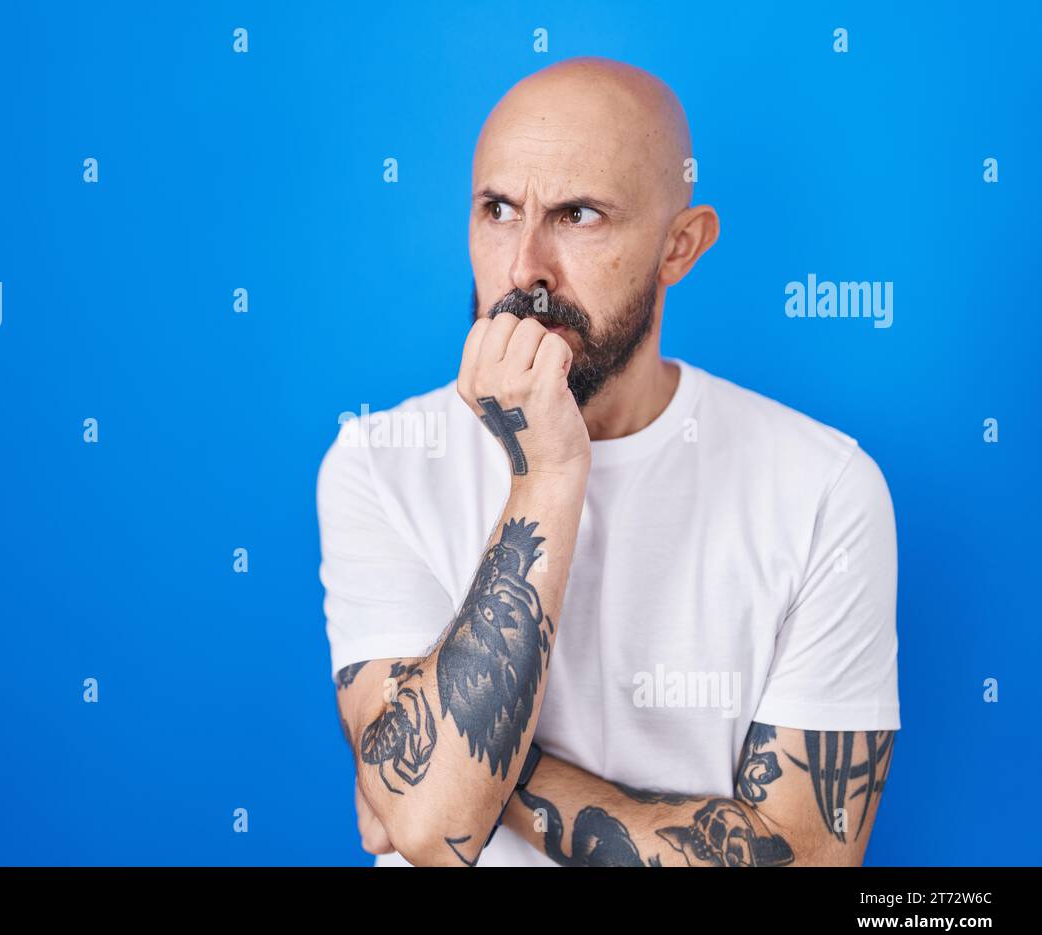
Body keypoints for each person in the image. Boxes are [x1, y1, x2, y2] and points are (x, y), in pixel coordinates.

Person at [317, 56, 898, 866]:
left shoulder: (825, 490)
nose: (525, 270)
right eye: (497, 210)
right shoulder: (378, 464)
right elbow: (427, 830)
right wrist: (546, 478)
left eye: (579, 214)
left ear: (679, 247)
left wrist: (473, 774)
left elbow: (804, 860)